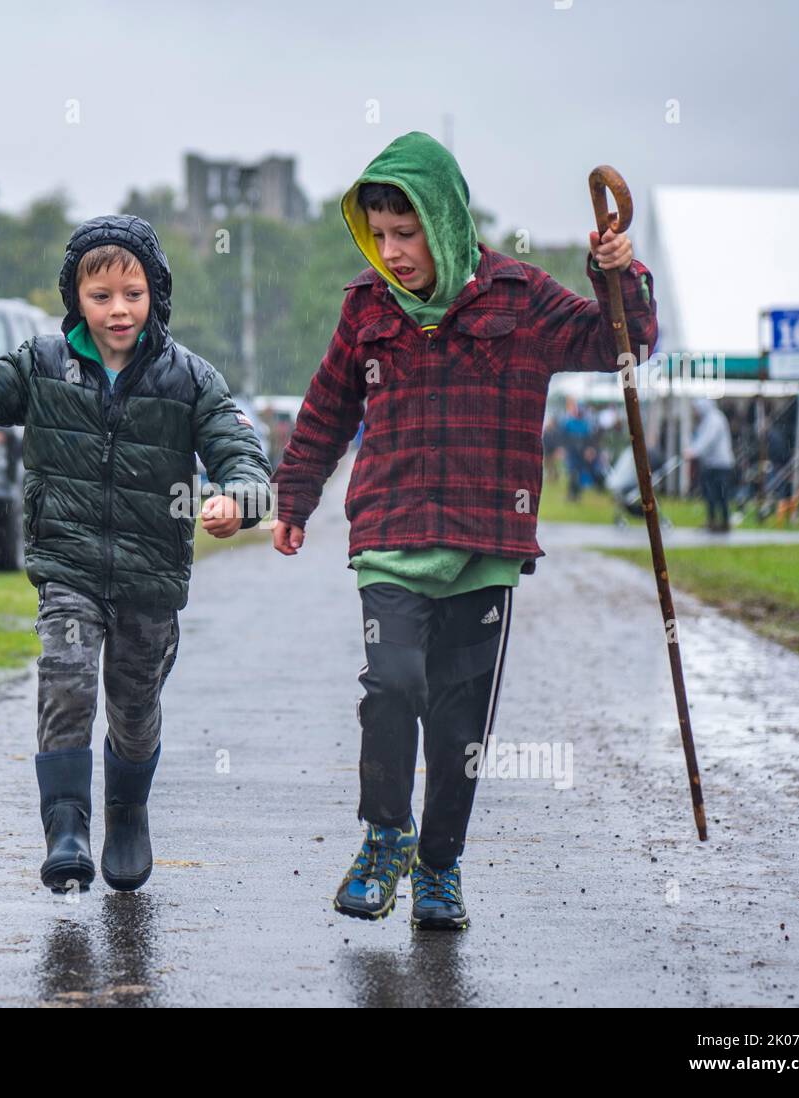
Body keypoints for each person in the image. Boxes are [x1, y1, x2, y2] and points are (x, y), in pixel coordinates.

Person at [270, 131, 658, 931]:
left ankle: (439, 868)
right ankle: (385, 836)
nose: (393, 252)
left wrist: (622, 276)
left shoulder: (520, 298)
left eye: (405, 234)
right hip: (391, 536)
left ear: (445, 222)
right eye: (378, 236)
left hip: (486, 546)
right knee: (392, 688)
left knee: (458, 730)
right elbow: (325, 411)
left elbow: (621, 340)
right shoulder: (366, 308)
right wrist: (293, 502)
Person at [0, 215, 272, 893]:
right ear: (75, 300)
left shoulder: (190, 379)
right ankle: (65, 825)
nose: (118, 310)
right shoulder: (42, 364)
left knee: (134, 704)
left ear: (156, 296)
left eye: (133, 294)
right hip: (68, 565)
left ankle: (127, 810)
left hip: (152, 577)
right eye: (100, 296)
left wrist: (238, 500)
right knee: (66, 675)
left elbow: (244, 460)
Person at [683, 397, 735, 532]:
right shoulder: (706, 420)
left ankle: (724, 522)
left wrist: (693, 452)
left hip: (720, 464)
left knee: (721, 494)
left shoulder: (715, 419)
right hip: (710, 464)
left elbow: (708, 440)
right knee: (710, 494)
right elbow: (700, 439)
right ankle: (712, 520)